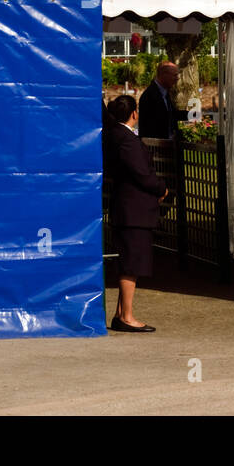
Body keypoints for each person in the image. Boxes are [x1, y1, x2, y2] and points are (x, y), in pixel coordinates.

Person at [103, 95, 167, 332]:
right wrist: (162, 188)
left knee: (129, 261)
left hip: (127, 207)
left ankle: (122, 313)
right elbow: (141, 172)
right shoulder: (127, 140)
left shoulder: (114, 136)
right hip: (134, 209)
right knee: (131, 264)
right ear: (133, 114)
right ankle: (127, 316)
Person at [138, 61, 184, 140]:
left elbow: (172, 114)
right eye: (175, 75)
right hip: (156, 148)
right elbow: (153, 126)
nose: (177, 78)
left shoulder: (164, 93)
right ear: (163, 75)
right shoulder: (149, 96)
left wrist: (193, 115)